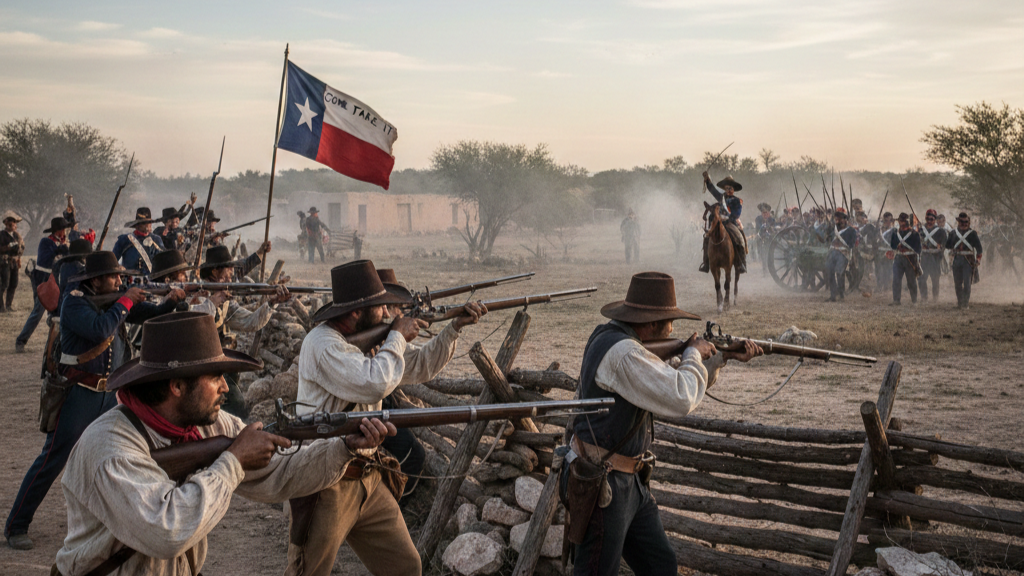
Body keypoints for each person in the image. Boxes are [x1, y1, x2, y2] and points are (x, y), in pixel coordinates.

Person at [52, 311, 396, 575]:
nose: (226, 387)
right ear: (176, 386)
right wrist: (232, 462)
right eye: (215, 376)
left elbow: (283, 473)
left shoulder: (210, 425)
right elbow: (166, 532)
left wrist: (344, 448)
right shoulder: (110, 449)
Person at [285, 260, 486, 576]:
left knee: (406, 567)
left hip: (368, 473)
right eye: (380, 307)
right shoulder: (322, 344)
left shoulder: (368, 335)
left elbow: (418, 366)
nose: (388, 314)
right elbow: (374, 382)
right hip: (326, 482)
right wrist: (396, 337)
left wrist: (454, 327)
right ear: (356, 312)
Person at [565, 271, 761, 576]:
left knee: (661, 566)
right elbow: (681, 396)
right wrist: (693, 354)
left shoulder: (627, 344)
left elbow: (668, 381)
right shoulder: (626, 353)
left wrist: (721, 357)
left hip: (631, 480)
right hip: (605, 482)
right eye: (670, 322)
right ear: (651, 324)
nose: (672, 329)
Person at [4, 251, 185, 550]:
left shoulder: (112, 298)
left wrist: (172, 301)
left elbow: (149, 315)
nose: (119, 280)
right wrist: (126, 299)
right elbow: (100, 328)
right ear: (97, 280)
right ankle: (17, 524)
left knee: (116, 458)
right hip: (79, 395)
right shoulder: (74, 300)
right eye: (114, 277)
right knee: (52, 460)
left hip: (110, 397)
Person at [196, 244, 286, 417]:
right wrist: (212, 302)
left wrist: (272, 302)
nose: (232, 272)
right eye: (228, 268)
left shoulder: (224, 297)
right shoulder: (198, 296)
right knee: (236, 406)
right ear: (215, 272)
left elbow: (250, 322)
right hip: (199, 368)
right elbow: (195, 325)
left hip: (219, 363)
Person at [375, 268, 427, 505]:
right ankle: (394, 510)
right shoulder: (375, 333)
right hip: (369, 411)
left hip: (381, 406)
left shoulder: (385, 331)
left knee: (413, 454)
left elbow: (418, 362)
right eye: (387, 305)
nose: (391, 311)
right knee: (413, 454)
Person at [16, 216, 69, 353]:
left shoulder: (62, 242)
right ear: (59, 230)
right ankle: (21, 340)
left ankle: (56, 342)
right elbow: (45, 260)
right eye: (64, 229)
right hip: (43, 278)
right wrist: (59, 250)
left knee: (58, 312)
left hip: (56, 278)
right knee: (38, 311)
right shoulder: (46, 242)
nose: (65, 232)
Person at [700, 172, 747, 273]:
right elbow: (712, 190)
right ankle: (706, 263)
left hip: (730, 223)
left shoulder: (737, 201)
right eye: (727, 188)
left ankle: (741, 263)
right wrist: (707, 179)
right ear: (725, 189)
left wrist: (727, 219)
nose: (729, 190)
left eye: (730, 188)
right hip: (718, 223)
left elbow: (736, 214)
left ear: (733, 189)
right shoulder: (721, 197)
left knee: (739, 238)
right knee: (707, 237)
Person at [945, 212, 983, 309]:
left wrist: (978, 259)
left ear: (968, 222)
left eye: (966, 221)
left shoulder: (973, 234)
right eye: (962, 221)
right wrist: (949, 238)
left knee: (967, 284)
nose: (964, 223)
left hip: (968, 260)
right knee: (957, 284)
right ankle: (960, 303)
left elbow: (979, 249)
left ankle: (965, 304)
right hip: (957, 259)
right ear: (958, 222)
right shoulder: (953, 233)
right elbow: (947, 246)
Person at [112, 207, 165, 276]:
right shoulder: (124, 239)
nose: (148, 225)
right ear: (137, 225)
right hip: (129, 280)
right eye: (144, 223)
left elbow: (163, 260)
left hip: (151, 279)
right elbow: (113, 260)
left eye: (149, 222)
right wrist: (119, 268)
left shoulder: (156, 239)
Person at [825, 209, 859, 302]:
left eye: (840, 217)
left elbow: (851, 244)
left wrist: (841, 242)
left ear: (845, 219)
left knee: (840, 273)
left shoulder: (851, 230)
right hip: (832, 252)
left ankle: (841, 294)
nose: (837, 219)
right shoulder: (833, 229)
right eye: (836, 217)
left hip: (843, 253)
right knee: (830, 272)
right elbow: (828, 239)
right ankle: (833, 295)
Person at [889, 213, 921, 305]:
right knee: (896, 280)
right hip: (898, 257)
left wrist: (907, 248)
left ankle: (914, 300)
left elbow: (918, 249)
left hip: (910, 258)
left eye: (904, 221)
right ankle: (896, 300)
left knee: (911, 280)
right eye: (901, 221)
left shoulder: (914, 234)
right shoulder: (896, 233)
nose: (902, 222)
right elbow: (893, 246)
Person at [917, 209, 948, 302]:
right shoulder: (921, 230)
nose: (929, 221)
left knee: (935, 279)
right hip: (924, 257)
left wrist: (940, 247)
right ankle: (924, 297)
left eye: (931, 219)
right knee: (921, 278)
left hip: (935, 258)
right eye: (928, 219)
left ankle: (935, 298)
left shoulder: (940, 231)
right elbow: (917, 242)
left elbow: (945, 244)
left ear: (935, 220)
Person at [0, 211, 25, 313]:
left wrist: (18, 248)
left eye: (14, 222)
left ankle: (8, 305)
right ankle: (1, 307)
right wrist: (8, 247)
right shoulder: (1, 235)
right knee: (4, 284)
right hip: (4, 262)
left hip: (15, 262)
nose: (12, 224)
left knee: (13, 284)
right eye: (10, 222)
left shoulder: (17, 236)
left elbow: (22, 247)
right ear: (6, 223)